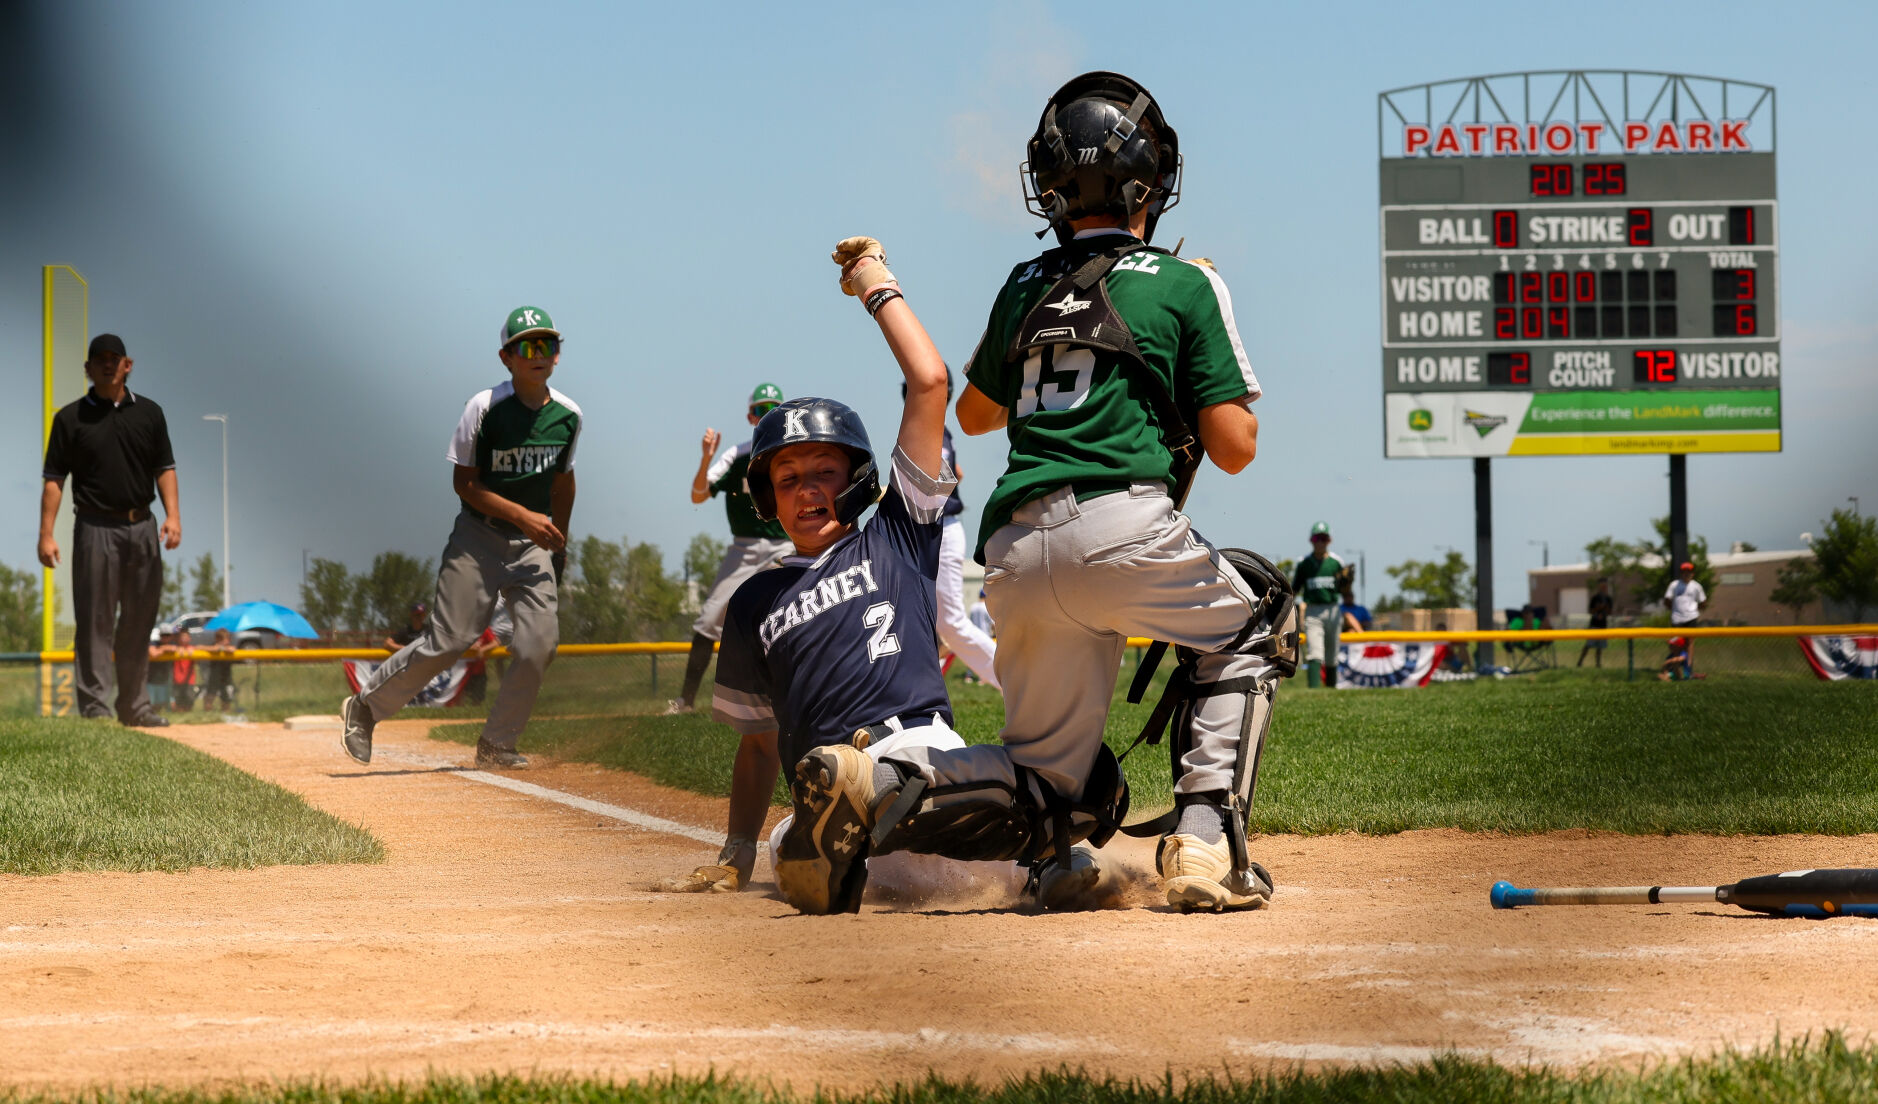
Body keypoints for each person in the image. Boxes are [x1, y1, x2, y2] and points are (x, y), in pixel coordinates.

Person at [772, 73, 1294, 917]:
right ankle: (1203, 842)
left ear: (1048, 189)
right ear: (1151, 182)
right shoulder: (1184, 281)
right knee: (1258, 622)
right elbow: (1236, 448)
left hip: (1014, 551)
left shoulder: (1023, 284)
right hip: (1124, 526)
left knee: (1050, 780)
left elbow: (976, 415)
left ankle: (879, 779)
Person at [658, 234, 964, 897]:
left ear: (856, 479)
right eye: (788, 478)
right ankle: (857, 827)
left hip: (918, 756)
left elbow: (930, 382)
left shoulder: (898, 534)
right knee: (786, 839)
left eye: (824, 471)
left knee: (949, 805)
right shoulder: (754, 601)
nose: (806, 491)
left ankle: (1033, 849)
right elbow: (758, 743)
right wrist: (735, 853)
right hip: (828, 793)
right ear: (768, 500)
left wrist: (873, 282)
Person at [340, 306, 581, 770]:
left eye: (548, 345)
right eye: (528, 346)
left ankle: (497, 743)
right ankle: (365, 708)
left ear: (557, 355)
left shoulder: (569, 416)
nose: (539, 354)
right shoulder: (484, 407)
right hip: (478, 538)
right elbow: (465, 485)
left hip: (532, 545)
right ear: (506, 357)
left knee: (539, 645)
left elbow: (564, 483)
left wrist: (559, 542)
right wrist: (523, 516)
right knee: (448, 642)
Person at [38, 333, 182, 727]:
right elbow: (54, 480)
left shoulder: (149, 413)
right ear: (87, 368)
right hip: (94, 526)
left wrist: (173, 516)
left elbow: (164, 469)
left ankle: (135, 706)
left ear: (127, 365)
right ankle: (96, 709)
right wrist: (46, 534)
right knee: (95, 620)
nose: (107, 364)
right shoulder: (69, 419)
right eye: (99, 359)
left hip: (142, 527)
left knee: (139, 619)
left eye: (114, 358)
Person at [667, 384, 794, 714]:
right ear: (751, 417)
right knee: (709, 619)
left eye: (775, 409)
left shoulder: (794, 454)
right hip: (744, 549)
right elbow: (698, 495)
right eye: (761, 410)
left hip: (786, 546)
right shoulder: (737, 455)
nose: (768, 415)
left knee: (797, 616)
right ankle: (685, 701)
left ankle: (795, 698)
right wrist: (706, 459)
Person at [927, 375, 999, 689]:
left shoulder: (932, 429)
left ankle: (1016, 681)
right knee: (925, 618)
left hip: (941, 527)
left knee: (951, 624)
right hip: (933, 529)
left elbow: (939, 479)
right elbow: (957, 473)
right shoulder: (936, 429)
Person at [1293, 522, 1349, 688]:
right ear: (1311, 540)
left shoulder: (1336, 562)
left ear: (1329, 540)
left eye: (1324, 538)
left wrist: (1347, 584)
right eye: (1317, 538)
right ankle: (1314, 689)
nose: (1320, 542)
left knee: (1332, 653)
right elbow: (1295, 589)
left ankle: (1331, 689)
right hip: (1313, 610)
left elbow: (1345, 591)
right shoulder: (1304, 563)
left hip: (1332, 609)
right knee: (1314, 652)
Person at [1665, 561, 1706, 675]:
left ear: (1693, 573)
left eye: (1689, 572)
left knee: (1689, 643)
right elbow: (1667, 600)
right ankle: (1675, 670)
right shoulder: (1674, 585)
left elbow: (1703, 602)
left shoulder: (1696, 586)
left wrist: (1694, 609)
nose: (1686, 574)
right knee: (1676, 644)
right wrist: (1674, 609)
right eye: (1684, 572)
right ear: (1681, 573)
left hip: (1691, 617)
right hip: (1677, 618)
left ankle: (1688, 670)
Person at [1577, 579, 1614, 667]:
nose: (1603, 588)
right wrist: (1598, 608)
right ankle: (1580, 662)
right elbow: (1590, 611)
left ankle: (1598, 664)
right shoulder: (1595, 598)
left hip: (1603, 626)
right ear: (1599, 587)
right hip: (1594, 625)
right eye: (1602, 586)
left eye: (1605, 586)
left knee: (1599, 647)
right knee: (1588, 645)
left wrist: (1605, 609)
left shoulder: (1608, 599)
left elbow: (1610, 612)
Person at [201, 628, 238, 710]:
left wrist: (223, 648)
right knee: (209, 697)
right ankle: (208, 713)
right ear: (217, 639)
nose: (227, 642)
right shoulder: (213, 646)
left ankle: (225, 713)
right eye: (223, 640)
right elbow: (199, 647)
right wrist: (218, 648)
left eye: (228, 639)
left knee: (226, 699)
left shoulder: (229, 648)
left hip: (226, 678)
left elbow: (233, 649)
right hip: (214, 677)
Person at [147, 629, 177, 713]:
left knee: (161, 703)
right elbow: (154, 653)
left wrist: (162, 648)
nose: (165, 637)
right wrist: (164, 649)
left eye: (168, 635)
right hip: (151, 679)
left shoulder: (172, 644)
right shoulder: (154, 643)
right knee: (151, 703)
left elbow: (174, 649)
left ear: (171, 636)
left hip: (165, 680)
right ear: (160, 636)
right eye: (163, 635)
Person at [170, 628, 197, 711]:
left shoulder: (192, 649)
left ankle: (187, 714)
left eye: (186, 637)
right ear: (178, 638)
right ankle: (179, 714)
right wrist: (177, 649)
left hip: (189, 680)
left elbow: (198, 661)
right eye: (181, 637)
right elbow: (165, 648)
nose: (183, 639)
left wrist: (192, 651)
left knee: (189, 700)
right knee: (178, 701)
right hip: (177, 680)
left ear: (189, 638)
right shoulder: (174, 648)